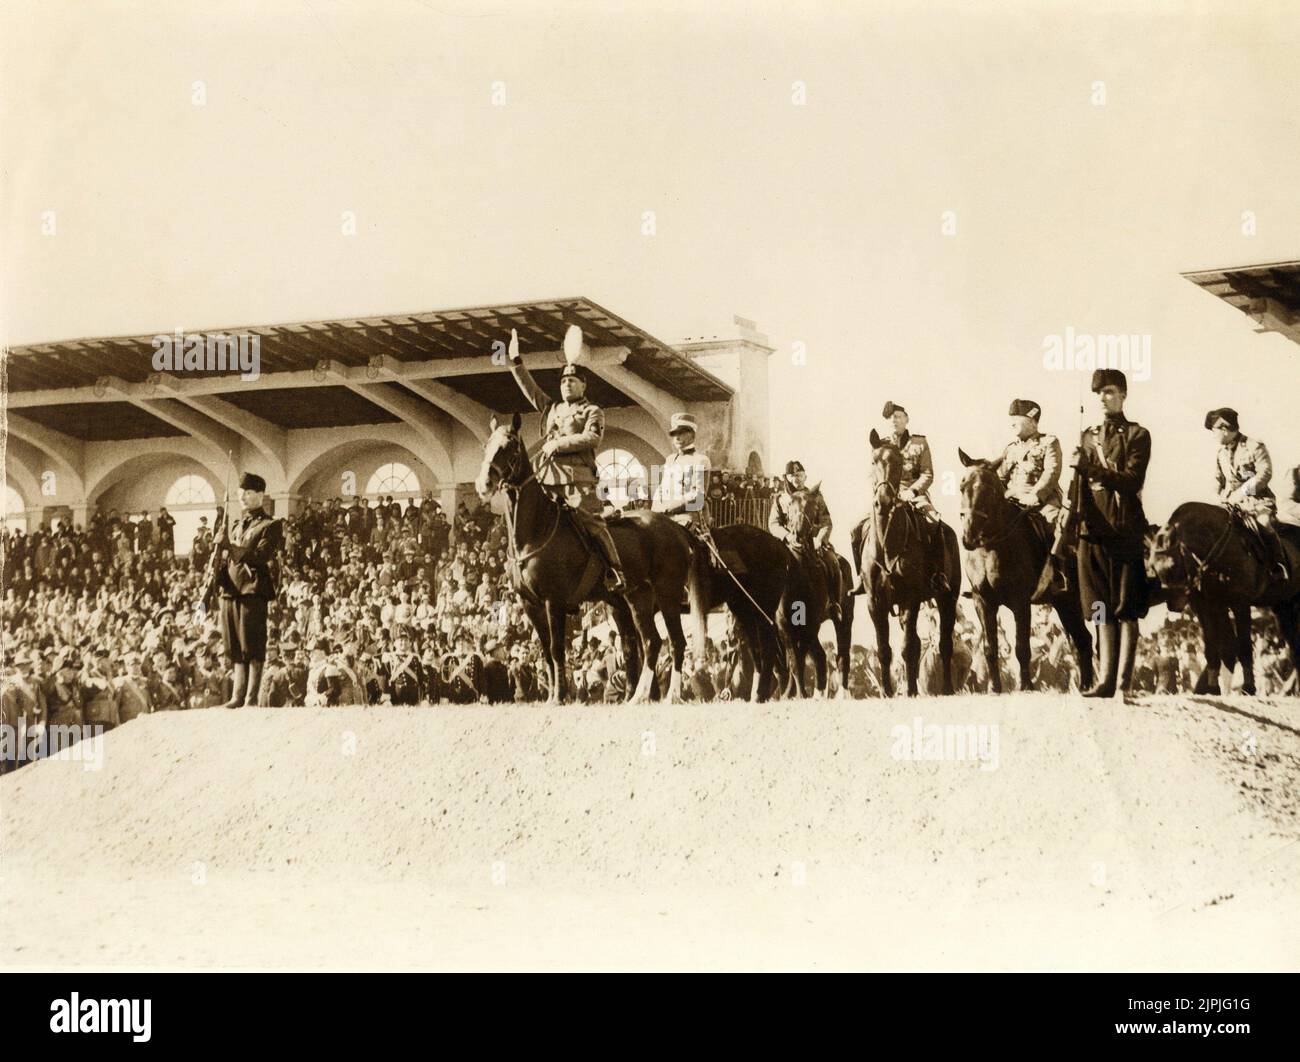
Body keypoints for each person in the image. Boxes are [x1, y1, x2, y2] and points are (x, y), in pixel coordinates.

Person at [505, 330, 627, 593]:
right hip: (547, 479)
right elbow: (531, 390)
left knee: (593, 523)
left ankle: (614, 570)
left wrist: (557, 443)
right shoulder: (552, 409)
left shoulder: (592, 411)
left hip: (578, 480)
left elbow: (592, 438)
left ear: (583, 385)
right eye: (563, 381)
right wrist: (516, 361)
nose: (567, 384)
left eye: (572, 380)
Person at [1072, 368, 1151, 698]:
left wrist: (1090, 468)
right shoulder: (1087, 436)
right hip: (1093, 531)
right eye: (1099, 393)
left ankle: (1123, 684)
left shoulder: (1137, 434)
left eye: (1109, 392)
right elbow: (1081, 488)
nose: (1103, 398)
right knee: (1099, 606)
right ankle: (1105, 681)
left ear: (1122, 395)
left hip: (1124, 528)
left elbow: (1132, 481)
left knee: (1126, 607)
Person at [211, 472, 284, 708]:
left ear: (261, 495)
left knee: (252, 643)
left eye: (248, 493)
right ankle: (237, 695)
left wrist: (229, 546)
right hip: (231, 589)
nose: (243, 497)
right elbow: (227, 559)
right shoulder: (235, 525)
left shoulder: (271, 525)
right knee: (233, 643)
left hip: (253, 589)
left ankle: (251, 697)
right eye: (240, 493)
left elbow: (260, 557)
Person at [1206, 407, 1289, 582]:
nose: (1213, 436)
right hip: (1231, 505)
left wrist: (1241, 492)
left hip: (1258, 503)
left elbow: (1264, 474)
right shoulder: (1220, 454)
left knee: (1264, 523)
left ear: (1224, 428)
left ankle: (1278, 565)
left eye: (1214, 431)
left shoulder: (1254, 446)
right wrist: (1215, 497)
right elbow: (1217, 480)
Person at [992, 398, 1064, 591]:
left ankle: (1059, 573)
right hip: (1014, 500)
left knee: (1056, 524)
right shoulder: (1011, 449)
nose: (1012, 422)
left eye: (1017, 418)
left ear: (1032, 420)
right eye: (1011, 418)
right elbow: (1001, 478)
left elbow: (1052, 472)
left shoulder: (1049, 442)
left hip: (1043, 500)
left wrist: (1036, 495)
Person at [770, 459, 844, 621]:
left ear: (805, 476)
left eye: (799, 474)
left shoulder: (815, 496)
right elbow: (773, 523)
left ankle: (834, 603)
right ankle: (771, 608)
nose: (796, 478)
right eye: (792, 475)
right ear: (786, 478)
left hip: (812, 544)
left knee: (833, 562)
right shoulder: (780, 498)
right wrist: (787, 535)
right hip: (789, 543)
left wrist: (819, 539)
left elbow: (826, 522)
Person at [652, 412, 712, 538]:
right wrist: (656, 511)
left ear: (692, 435)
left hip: (687, 517)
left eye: (681, 433)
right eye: (674, 434)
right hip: (664, 516)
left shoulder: (701, 460)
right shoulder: (670, 459)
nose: (677, 438)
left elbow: (698, 497)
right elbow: (662, 489)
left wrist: (669, 509)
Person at [880, 401, 936, 517]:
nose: (894, 420)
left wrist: (912, 491)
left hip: (915, 497)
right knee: (857, 527)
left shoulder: (919, 443)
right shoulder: (882, 446)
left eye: (898, 417)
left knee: (933, 521)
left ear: (907, 419)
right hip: (887, 496)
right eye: (891, 417)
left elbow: (927, 474)